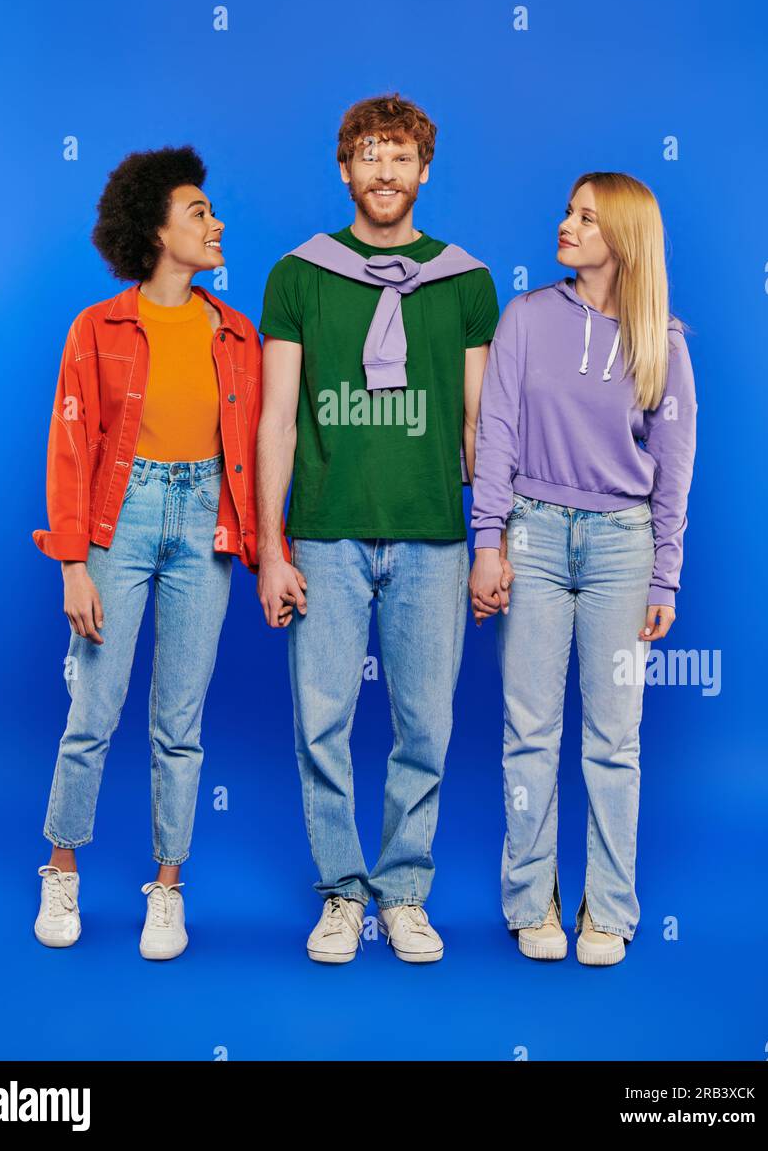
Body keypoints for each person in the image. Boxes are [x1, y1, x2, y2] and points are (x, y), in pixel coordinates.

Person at [256, 94, 499, 964]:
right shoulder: (298, 275)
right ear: (345, 169)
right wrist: (270, 547)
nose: (385, 172)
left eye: (400, 157)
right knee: (320, 723)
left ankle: (402, 891)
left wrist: (493, 540)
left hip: (433, 538)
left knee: (424, 725)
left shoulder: (466, 281)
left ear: (424, 171)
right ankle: (339, 892)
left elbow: (483, 428)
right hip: (325, 533)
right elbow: (275, 419)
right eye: (369, 154)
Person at [32, 145, 268, 960]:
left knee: (180, 723)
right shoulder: (98, 329)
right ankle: (61, 868)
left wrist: (255, 539)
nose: (216, 222)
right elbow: (72, 447)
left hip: (204, 520)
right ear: (155, 229)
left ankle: (167, 890)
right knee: (92, 711)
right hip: (118, 521)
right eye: (199, 211)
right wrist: (73, 565)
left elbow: (257, 449)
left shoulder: (238, 334)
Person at [469, 172, 697, 966]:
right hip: (531, 534)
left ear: (623, 239)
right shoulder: (527, 318)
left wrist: (664, 575)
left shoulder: (659, 342)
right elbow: (495, 434)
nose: (566, 224)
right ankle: (532, 899)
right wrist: (488, 542)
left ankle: (610, 906)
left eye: (586, 217)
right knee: (529, 733)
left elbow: (674, 470)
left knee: (613, 740)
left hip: (622, 549)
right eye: (568, 210)